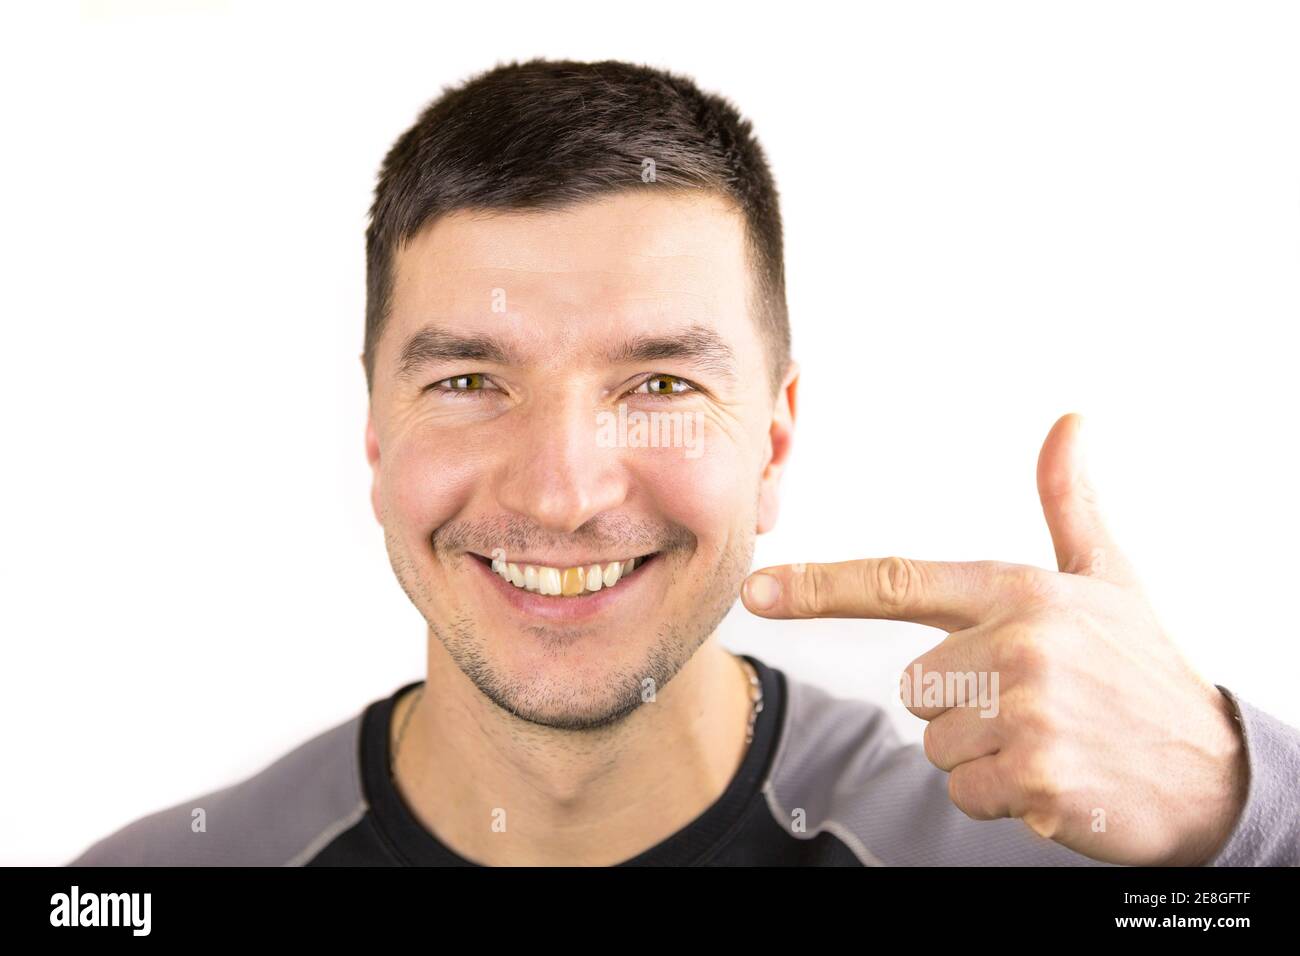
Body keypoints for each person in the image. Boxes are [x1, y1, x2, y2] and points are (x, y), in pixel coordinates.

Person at [68, 59, 1300, 867]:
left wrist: (1236, 802)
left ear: (772, 439)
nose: (561, 489)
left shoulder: (1054, 853)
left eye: (659, 383)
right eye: (468, 381)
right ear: (377, 431)